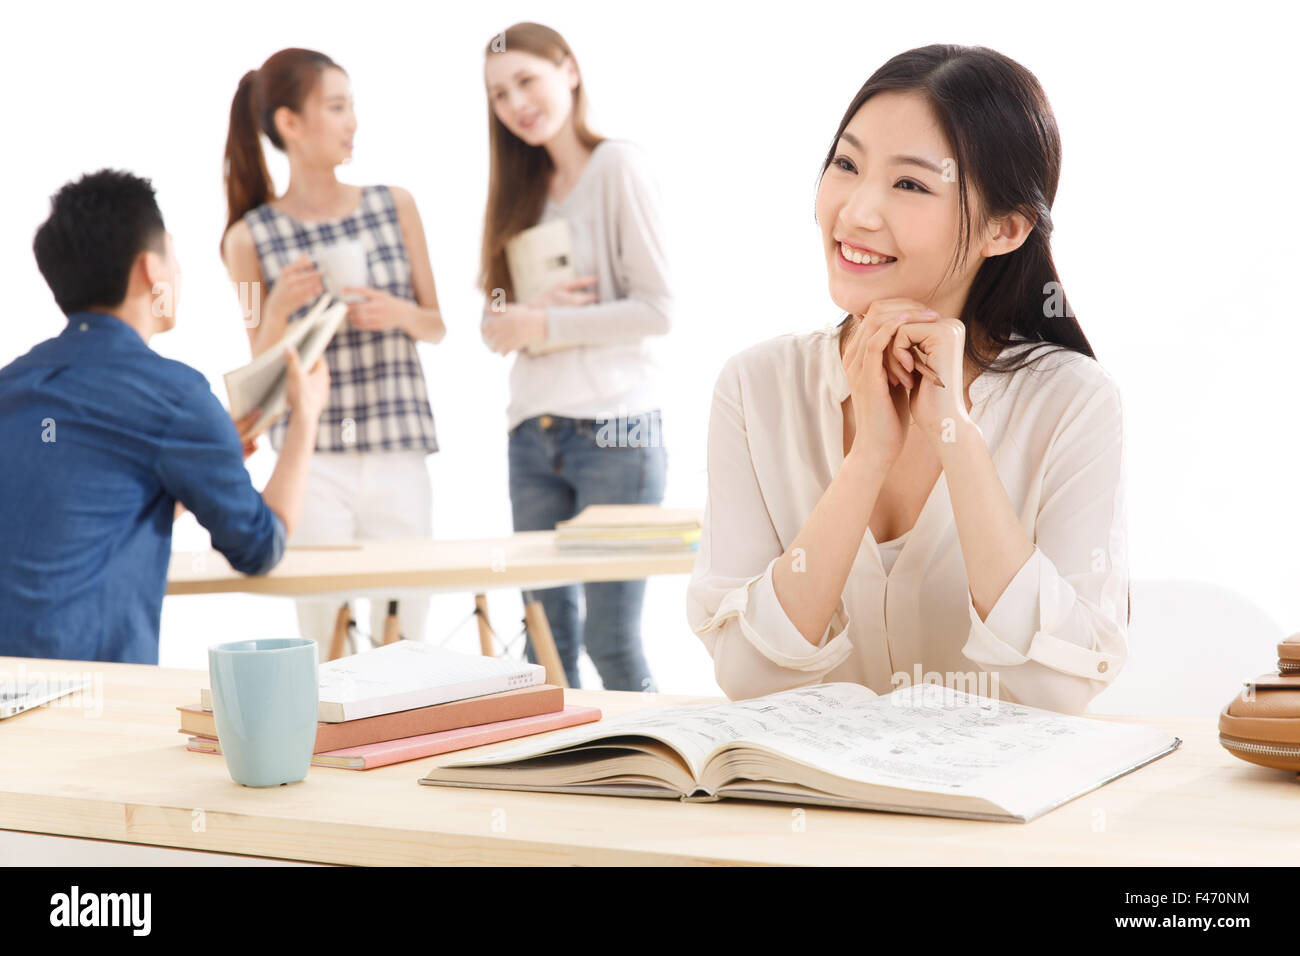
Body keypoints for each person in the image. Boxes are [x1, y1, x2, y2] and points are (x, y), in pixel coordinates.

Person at [686, 45, 1129, 716]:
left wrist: (956, 438)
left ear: (1005, 228)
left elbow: (1062, 685)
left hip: (997, 788)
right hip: (808, 787)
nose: (857, 213)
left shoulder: (1072, 402)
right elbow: (747, 675)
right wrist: (868, 458)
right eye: (846, 165)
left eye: (911, 185)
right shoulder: (756, 388)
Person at [0, 169, 328, 664]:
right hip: (98, 696)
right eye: (173, 255)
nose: (180, 272)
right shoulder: (175, 396)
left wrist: (190, 471)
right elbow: (258, 546)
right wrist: (305, 420)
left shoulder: (11, 386)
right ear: (150, 268)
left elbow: (77, 519)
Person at [221, 48, 446, 656]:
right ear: (290, 123)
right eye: (338, 107)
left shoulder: (395, 204)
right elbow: (257, 370)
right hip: (313, 461)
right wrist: (276, 310)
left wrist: (396, 313)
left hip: (398, 447)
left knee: (407, 637)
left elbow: (436, 324)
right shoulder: (248, 238)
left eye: (351, 107)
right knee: (323, 642)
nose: (352, 122)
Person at [479, 23, 672, 690]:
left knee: (610, 641)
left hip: (616, 434)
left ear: (568, 70)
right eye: (499, 94)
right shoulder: (519, 189)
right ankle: (560, 763)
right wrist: (519, 317)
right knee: (545, 646)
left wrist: (544, 322)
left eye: (525, 81)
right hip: (532, 434)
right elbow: (495, 323)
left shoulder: (617, 167)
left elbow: (658, 309)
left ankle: (653, 757)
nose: (515, 104)